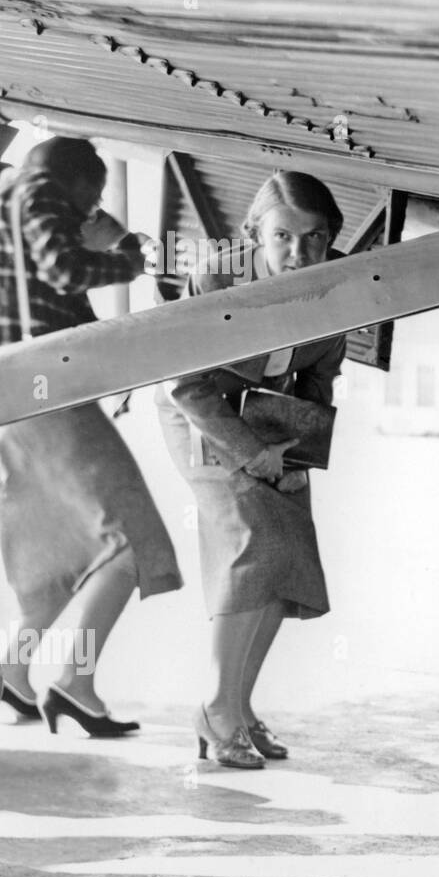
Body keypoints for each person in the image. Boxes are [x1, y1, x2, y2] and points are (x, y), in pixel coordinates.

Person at [0, 136, 182, 734]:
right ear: (73, 180)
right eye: (92, 196)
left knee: (52, 560)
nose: (90, 210)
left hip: (12, 398)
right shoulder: (38, 189)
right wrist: (132, 259)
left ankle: (13, 681)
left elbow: (53, 294)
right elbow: (65, 269)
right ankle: (74, 683)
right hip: (43, 392)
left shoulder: (3, 205)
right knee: (131, 540)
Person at [156, 171, 345, 769]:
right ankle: (216, 711)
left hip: (271, 420)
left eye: (314, 238)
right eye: (283, 236)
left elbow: (318, 383)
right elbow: (185, 383)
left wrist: (291, 450)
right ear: (254, 233)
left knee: (286, 552)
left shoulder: (338, 284)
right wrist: (249, 453)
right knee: (254, 542)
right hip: (202, 413)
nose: (299, 253)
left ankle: (238, 707)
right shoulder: (217, 275)